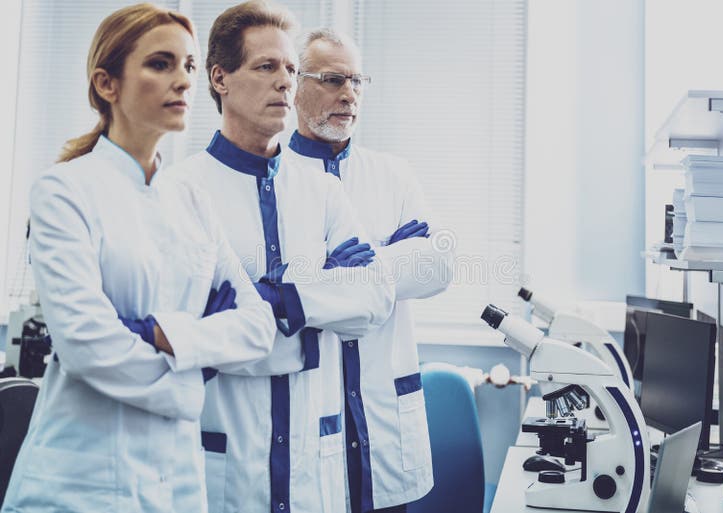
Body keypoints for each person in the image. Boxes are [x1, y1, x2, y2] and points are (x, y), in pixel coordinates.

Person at [0, 4, 277, 512]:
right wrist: (194, 376)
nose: (183, 81)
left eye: (190, 66)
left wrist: (155, 333)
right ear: (107, 84)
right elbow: (86, 344)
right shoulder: (64, 191)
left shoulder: (192, 201)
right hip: (76, 483)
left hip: (176, 484)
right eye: (161, 64)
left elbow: (259, 326)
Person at [168, 3, 395, 513]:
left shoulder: (323, 191)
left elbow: (374, 298)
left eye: (291, 69)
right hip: (223, 461)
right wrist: (325, 288)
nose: (285, 83)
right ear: (219, 78)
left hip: (315, 465)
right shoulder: (181, 191)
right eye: (267, 67)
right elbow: (190, 328)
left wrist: (274, 296)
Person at [287, 29, 454, 513]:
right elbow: (286, 291)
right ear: (296, 86)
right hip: (312, 422)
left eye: (358, 81)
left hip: (384, 425)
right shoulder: (278, 180)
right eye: (333, 79)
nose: (349, 94)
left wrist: (346, 268)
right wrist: (393, 256)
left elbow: (438, 264)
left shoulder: (393, 174)